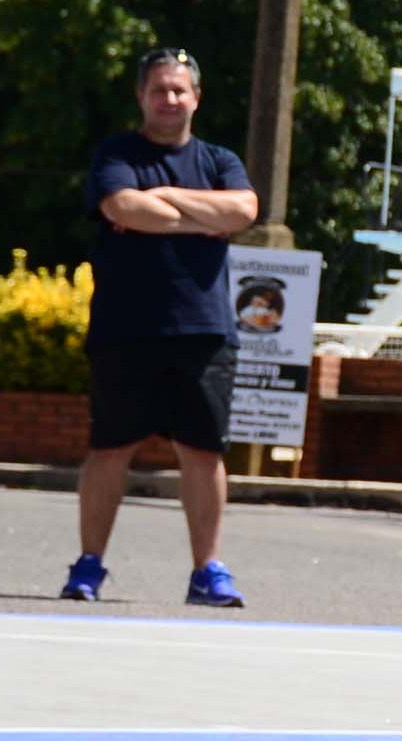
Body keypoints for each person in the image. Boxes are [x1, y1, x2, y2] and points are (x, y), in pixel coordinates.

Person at [67, 48, 260, 608]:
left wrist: (169, 199)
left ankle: (207, 572)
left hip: (203, 332)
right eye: (159, 90)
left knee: (202, 453)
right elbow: (124, 207)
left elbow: (244, 211)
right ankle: (88, 567)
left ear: (196, 98)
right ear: (141, 97)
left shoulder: (220, 159)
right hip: (124, 329)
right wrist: (203, 217)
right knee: (111, 448)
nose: (169, 99)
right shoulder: (117, 154)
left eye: (179, 90)